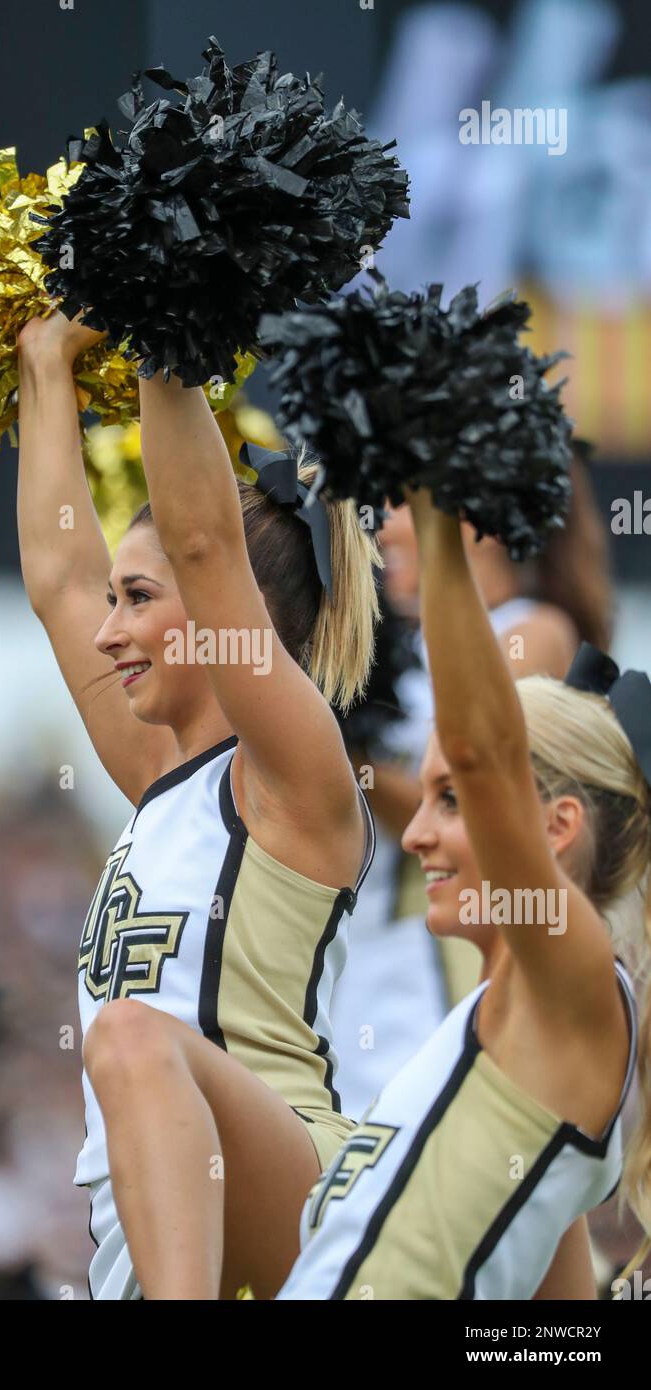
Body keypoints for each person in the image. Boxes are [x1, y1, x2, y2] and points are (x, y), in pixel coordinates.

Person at [15, 310, 379, 1300]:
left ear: (222, 620)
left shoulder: (290, 779)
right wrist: (43, 362)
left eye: (137, 598)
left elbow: (206, 541)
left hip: (294, 1198)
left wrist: (169, 308)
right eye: (117, 598)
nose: (108, 631)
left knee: (128, 1035)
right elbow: (56, 576)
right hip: (149, 1237)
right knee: (128, 1041)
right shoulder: (156, 779)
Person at [277, 486, 649, 1300]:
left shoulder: (573, 986)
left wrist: (436, 499)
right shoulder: (493, 1039)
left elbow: (488, 764)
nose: (415, 831)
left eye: (451, 799)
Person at [331, 460, 615, 1121]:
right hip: (365, 950)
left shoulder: (529, 632)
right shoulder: (394, 639)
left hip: (448, 952)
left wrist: (343, 741)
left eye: (401, 504)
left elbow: (472, 792)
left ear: (470, 520)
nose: (384, 528)